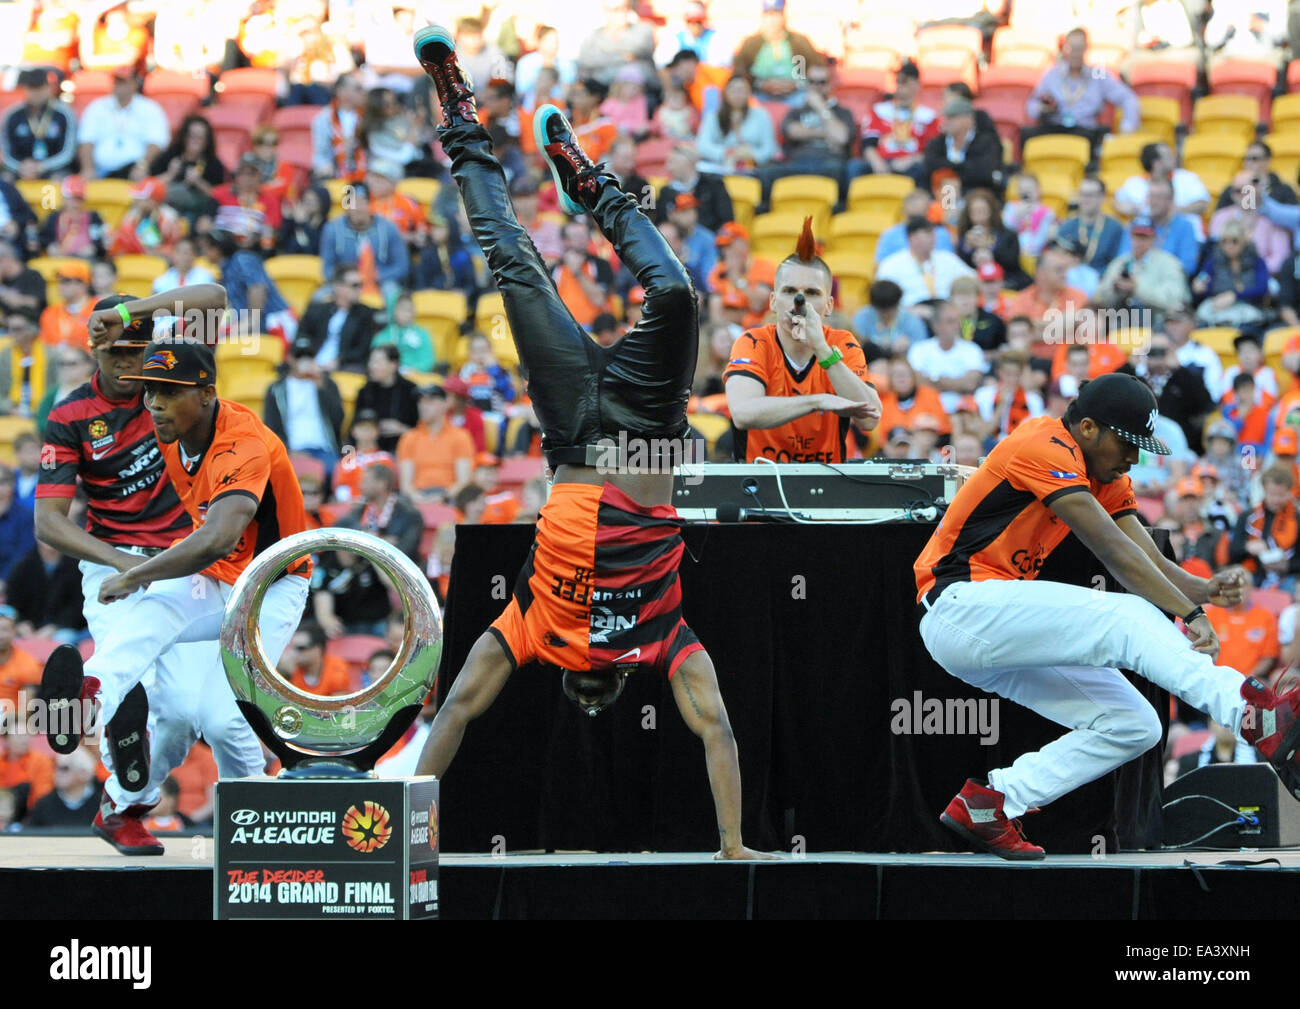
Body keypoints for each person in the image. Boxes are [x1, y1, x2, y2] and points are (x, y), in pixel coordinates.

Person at [408, 25, 769, 859]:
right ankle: (591, 181)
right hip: (644, 432)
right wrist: (732, 845)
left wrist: (414, 837)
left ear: (573, 682)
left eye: (587, 695)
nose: (594, 690)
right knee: (676, 295)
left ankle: (458, 104)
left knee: (512, 259)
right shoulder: (663, 640)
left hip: (573, 429)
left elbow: (457, 708)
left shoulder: (534, 629)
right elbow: (714, 728)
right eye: (600, 694)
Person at [915, 372, 1300, 858]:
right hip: (957, 605)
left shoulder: (1105, 472)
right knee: (1125, 616)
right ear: (1090, 428)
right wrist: (1187, 611)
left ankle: (994, 801)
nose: (1134, 458)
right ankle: (1248, 712)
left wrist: (1200, 593)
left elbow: (1150, 559)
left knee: (1135, 724)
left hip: (991, 626)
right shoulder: (1042, 441)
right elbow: (1114, 552)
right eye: (1128, 443)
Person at [36, 286, 312, 849]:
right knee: (160, 650)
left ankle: (249, 817)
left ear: (203, 393)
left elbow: (216, 539)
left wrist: (120, 315)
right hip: (159, 567)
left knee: (212, 711)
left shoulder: (226, 431)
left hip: (265, 583)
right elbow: (49, 522)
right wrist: (128, 569)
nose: (149, 397)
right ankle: (93, 700)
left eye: (152, 376)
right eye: (122, 361)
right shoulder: (133, 413)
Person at [723, 220, 880, 462]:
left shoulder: (842, 343)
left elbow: (870, 419)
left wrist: (822, 349)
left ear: (829, 306)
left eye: (812, 293)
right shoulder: (753, 341)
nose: (799, 301)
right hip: (759, 485)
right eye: (789, 291)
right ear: (774, 301)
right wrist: (817, 402)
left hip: (826, 486)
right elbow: (743, 413)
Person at [1021, 26, 1140, 154]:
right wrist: (1042, 108)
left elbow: (1128, 98)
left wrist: (1127, 129)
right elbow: (1031, 106)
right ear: (1064, 49)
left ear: (1086, 48)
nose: (1075, 53)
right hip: (1055, 130)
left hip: (1085, 133)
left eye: (1079, 48)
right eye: (1071, 48)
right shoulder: (1052, 74)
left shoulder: (1097, 74)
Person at [262, 337, 345, 480]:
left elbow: (339, 419)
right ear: (290, 359)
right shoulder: (276, 389)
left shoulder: (327, 384)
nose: (304, 360)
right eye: (299, 356)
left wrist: (322, 389)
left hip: (324, 449)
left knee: (334, 474)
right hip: (292, 450)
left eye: (308, 356)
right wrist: (287, 450)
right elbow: (271, 426)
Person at [76, 65, 169, 181]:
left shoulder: (150, 108)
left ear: (135, 84)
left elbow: (156, 143)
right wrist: (88, 168)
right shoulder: (97, 107)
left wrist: (142, 166)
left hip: (132, 172)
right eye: (116, 81)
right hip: (100, 172)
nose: (118, 85)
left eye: (123, 82)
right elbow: (86, 142)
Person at [1096, 215, 1191, 321]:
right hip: (1121, 318)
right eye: (1135, 236)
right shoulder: (1119, 263)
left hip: (1156, 321)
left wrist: (1136, 288)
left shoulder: (1170, 264)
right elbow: (1100, 299)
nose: (1139, 242)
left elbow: (1173, 300)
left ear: (1154, 238)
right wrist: (1114, 287)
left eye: (1144, 237)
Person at [876, 217, 975, 315]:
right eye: (928, 233)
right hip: (911, 315)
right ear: (912, 237)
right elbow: (883, 297)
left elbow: (974, 278)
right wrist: (908, 310)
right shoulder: (892, 264)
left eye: (933, 233)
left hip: (947, 312)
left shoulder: (947, 258)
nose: (933, 237)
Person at [861, 60, 938, 182]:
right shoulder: (879, 110)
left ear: (917, 84)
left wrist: (910, 160)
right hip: (882, 161)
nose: (900, 86)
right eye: (898, 82)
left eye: (905, 82)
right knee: (855, 167)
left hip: (912, 163)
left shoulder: (928, 116)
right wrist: (877, 162)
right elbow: (868, 144)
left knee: (921, 169)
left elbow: (932, 152)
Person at [731, 0, 822, 103]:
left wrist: (797, 84)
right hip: (759, 94)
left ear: (783, 17)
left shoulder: (799, 42)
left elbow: (816, 67)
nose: (772, 20)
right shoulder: (751, 43)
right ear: (763, 17)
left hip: (796, 94)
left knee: (808, 99)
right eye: (769, 15)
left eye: (776, 15)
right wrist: (759, 84)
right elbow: (739, 71)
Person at [295, 266, 382, 372]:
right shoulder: (318, 311)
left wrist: (339, 361)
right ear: (338, 286)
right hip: (312, 363)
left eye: (361, 285)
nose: (360, 289)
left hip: (344, 367)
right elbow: (302, 336)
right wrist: (307, 358)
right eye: (355, 285)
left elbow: (362, 349)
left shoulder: (365, 314)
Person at [2, 67, 78, 180]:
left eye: (40, 89)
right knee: (5, 178)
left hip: (54, 168)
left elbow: (68, 152)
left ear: (49, 88)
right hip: (21, 169)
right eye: (32, 89)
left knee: (61, 179)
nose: (36, 93)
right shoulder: (12, 115)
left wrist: (42, 166)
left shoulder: (64, 114)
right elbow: (6, 153)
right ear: (25, 90)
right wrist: (21, 167)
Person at [922, 97, 1005, 196]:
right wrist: (962, 167)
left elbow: (984, 172)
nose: (946, 122)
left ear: (968, 119)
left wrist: (951, 169)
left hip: (978, 194)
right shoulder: (936, 143)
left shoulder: (987, 142)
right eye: (946, 118)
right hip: (941, 193)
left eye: (952, 117)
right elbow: (929, 166)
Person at [353, 344, 419, 454]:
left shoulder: (411, 391)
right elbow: (354, 427)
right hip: (370, 450)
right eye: (371, 361)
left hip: (404, 450)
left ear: (393, 365)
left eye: (377, 362)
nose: (371, 366)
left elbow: (423, 431)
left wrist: (402, 429)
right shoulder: (365, 391)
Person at [1055, 176, 1126, 276]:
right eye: (1082, 194)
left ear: (1102, 197)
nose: (1085, 199)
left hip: (1102, 283)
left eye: (1090, 195)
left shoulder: (1115, 228)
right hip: (1070, 284)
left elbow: (1117, 264)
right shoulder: (1066, 227)